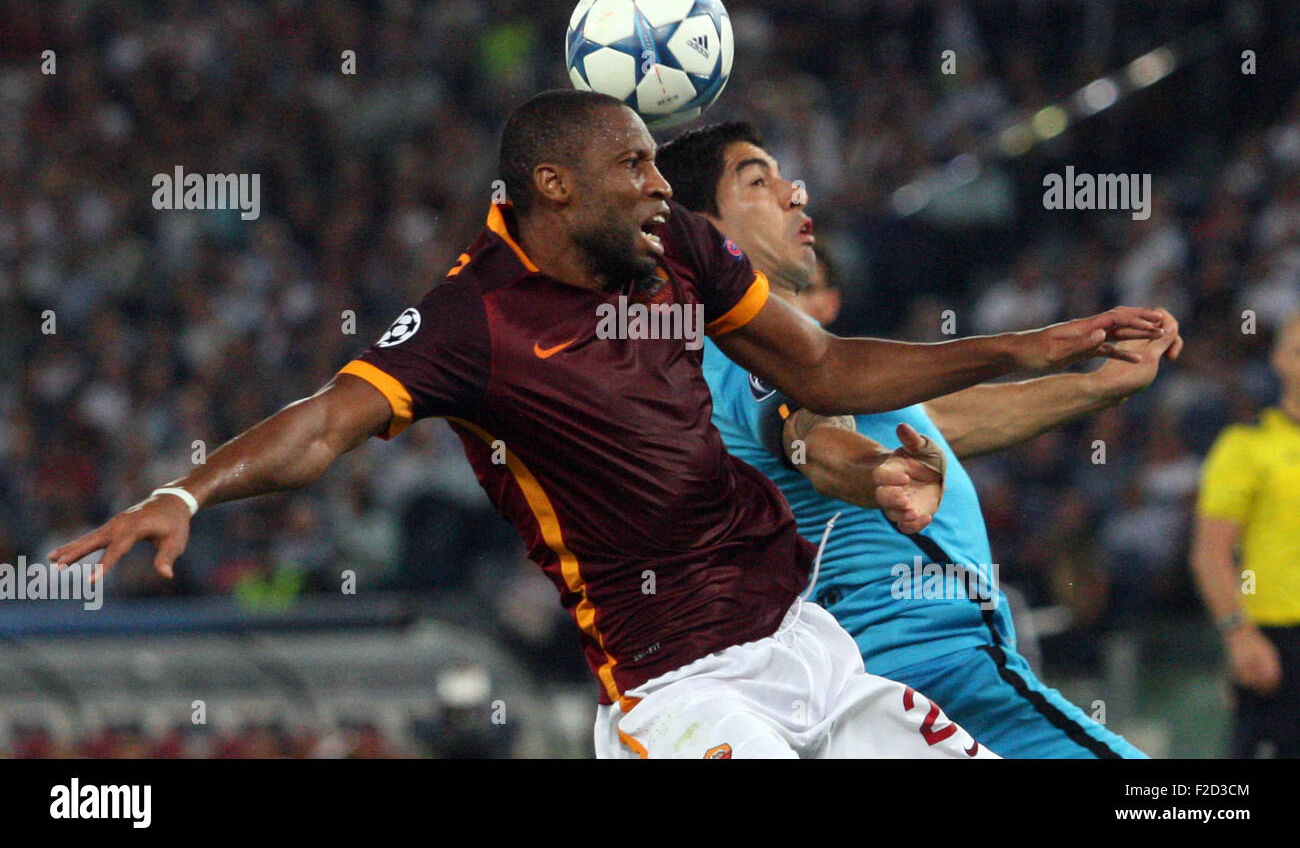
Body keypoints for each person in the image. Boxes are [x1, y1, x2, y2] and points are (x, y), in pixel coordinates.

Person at [51, 90, 1169, 759]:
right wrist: (187, 490)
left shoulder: (678, 251)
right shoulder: (469, 322)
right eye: (631, 165)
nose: (653, 184)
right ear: (553, 185)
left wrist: (1023, 343)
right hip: (679, 687)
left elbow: (822, 365)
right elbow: (323, 423)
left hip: (810, 645)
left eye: (654, 162)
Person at [657, 120, 1183, 758]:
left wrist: (1099, 387)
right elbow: (817, 443)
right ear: (708, 234)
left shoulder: (754, 354)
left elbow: (947, 422)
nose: (795, 192)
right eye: (758, 183)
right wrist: (882, 473)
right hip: (934, 665)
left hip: (877, 680)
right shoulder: (748, 351)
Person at [1193, 312, 1300, 758]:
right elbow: (1210, 553)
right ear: (1279, 360)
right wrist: (1240, 635)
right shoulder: (1246, 445)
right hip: (1280, 641)